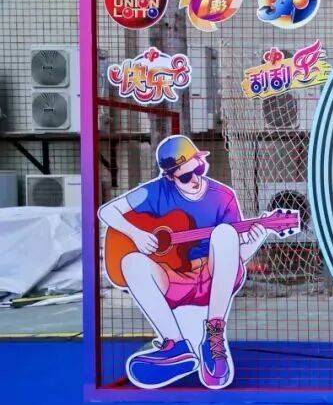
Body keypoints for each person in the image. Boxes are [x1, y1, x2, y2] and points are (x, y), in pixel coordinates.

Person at [98, 135, 268, 389]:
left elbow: (235, 259)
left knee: (225, 233)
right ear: (169, 177)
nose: (196, 179)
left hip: (214, 279)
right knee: (131, 262)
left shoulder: (223, 196)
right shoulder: (155, 191)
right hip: (175, 278)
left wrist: (256, 240)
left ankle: (213, 338)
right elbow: (107, 211)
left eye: (199, 169)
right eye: (186, 176)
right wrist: (137, 234)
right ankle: (176, 347)